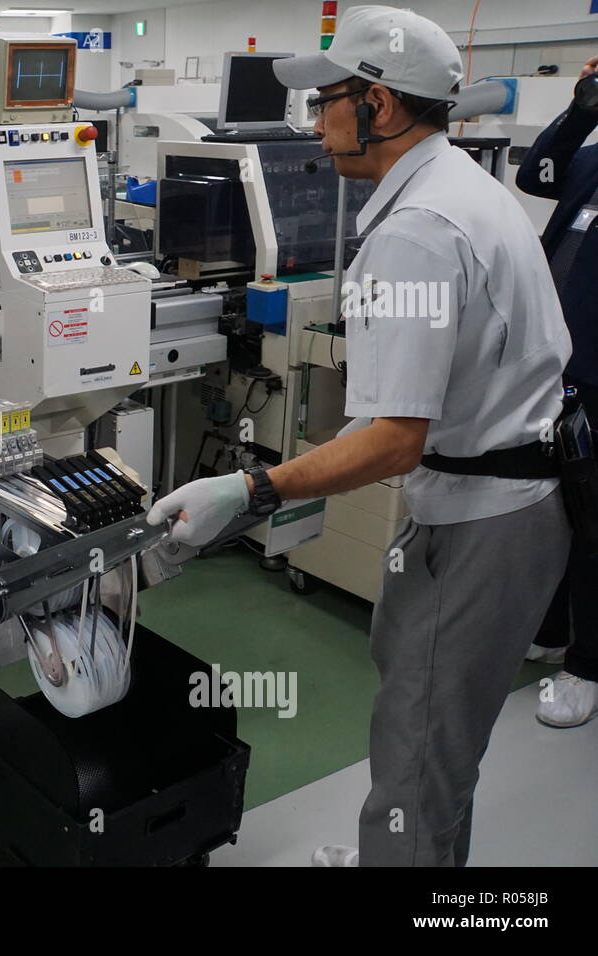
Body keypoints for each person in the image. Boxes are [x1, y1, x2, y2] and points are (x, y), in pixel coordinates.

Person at [147, 4, 573, 866]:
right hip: (491, 499)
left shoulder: (416, 231)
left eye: (326, 102)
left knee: (421, 755)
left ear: (378, 106)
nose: (315, 123)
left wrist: (250, 490)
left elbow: (391, 440)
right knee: (425, 728)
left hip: (483, 517)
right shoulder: (455, 188)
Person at [513, 61, 598, 729]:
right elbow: (533, 173)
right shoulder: (590, 160)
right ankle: (551, 627)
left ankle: (587, 665)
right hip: (559, 368)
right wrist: (582, 107)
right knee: (557, 506)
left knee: (596, 519)